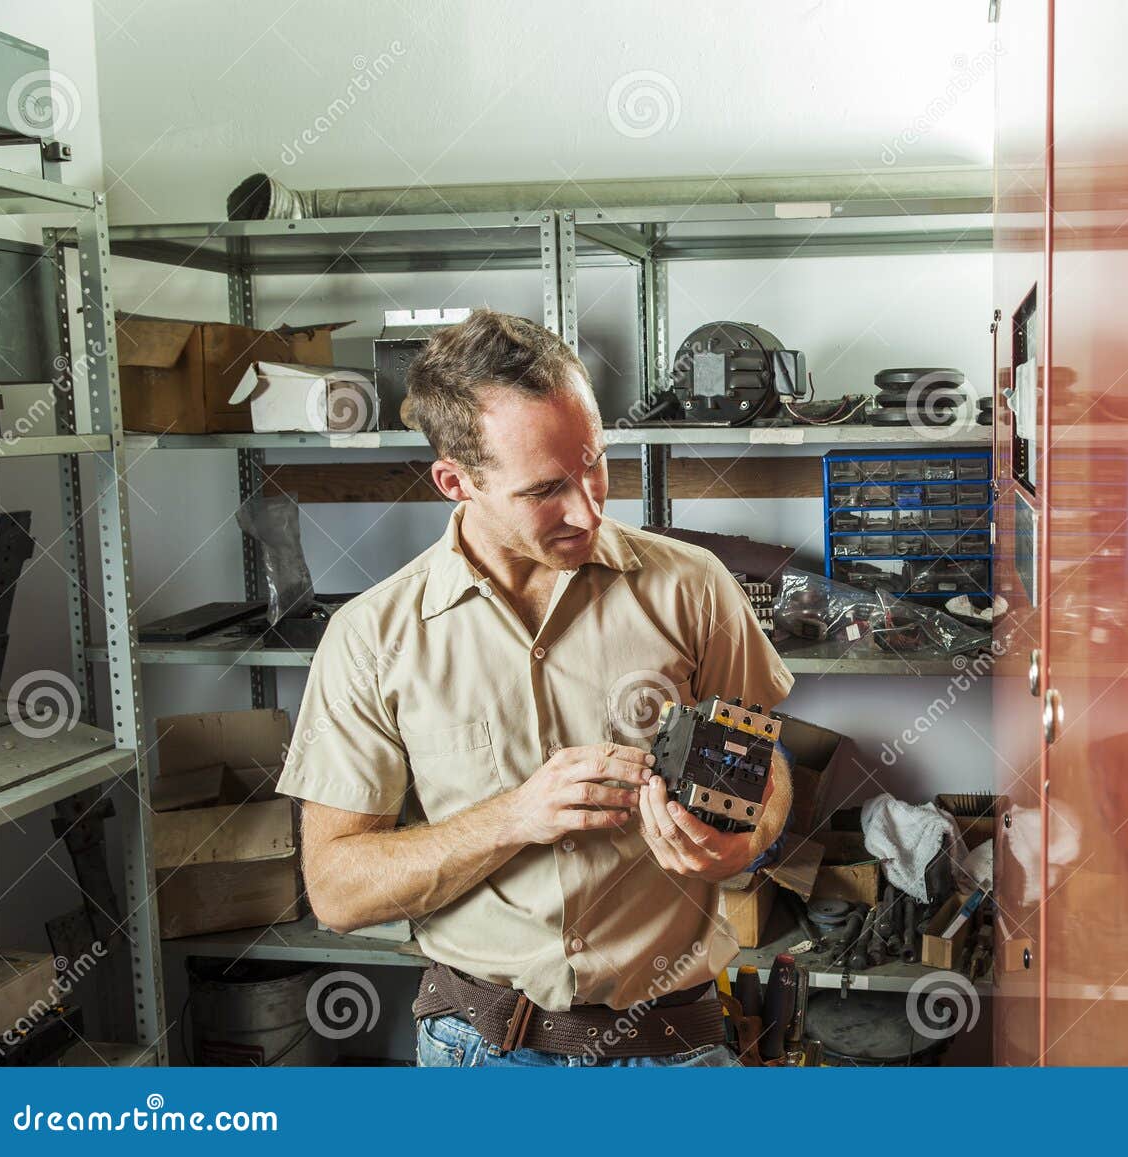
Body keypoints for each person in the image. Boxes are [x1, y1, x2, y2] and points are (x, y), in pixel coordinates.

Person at [275, 310, 794, 1067]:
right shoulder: (371, 639)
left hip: (676, 1048)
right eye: (545, 488)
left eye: (594, 462)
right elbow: (338, 889)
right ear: (456, 481)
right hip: (479, 1055)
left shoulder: (693, 590)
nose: (587, 506)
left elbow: (765, 766)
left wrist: (741, 839)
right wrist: (514, 816)